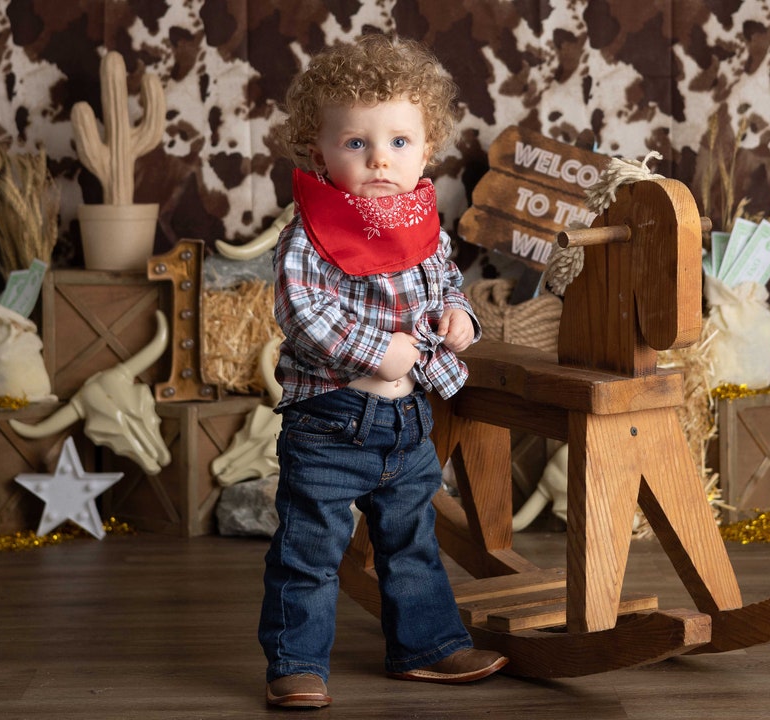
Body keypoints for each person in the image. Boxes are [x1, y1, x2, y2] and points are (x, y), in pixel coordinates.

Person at [258, 33, 507, 709]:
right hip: (331, 421)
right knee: (310, 547)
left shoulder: (425, 230)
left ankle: (426, 647)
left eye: (399, 142)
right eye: (356, 143)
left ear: (427, 152)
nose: (379, 159)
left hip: (405, 423)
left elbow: (447, 287)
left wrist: (459, 319)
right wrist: (381, 350)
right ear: (319, 152)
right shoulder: (309, 235)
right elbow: (305, 314)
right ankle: (296, 661)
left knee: (412, 539)